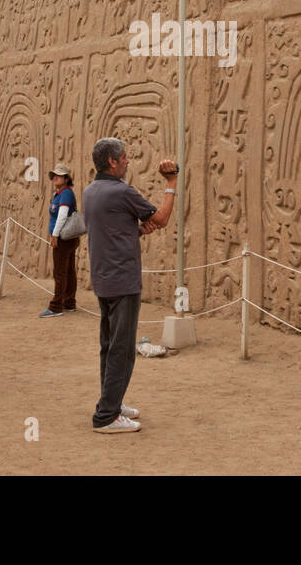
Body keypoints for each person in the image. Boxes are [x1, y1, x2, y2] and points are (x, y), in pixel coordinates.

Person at [83, 137, 177, 434]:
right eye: (124, 157)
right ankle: (106, 416)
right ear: (112, 161)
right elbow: (161, 218)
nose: (127, 161)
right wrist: (171, 182)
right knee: (122, 349)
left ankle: (111, 401)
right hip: (122, 280)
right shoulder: (122, 192)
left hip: (104, 278)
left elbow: (111, 229)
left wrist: (135, 229)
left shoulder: (90, 191)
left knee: (109, 346)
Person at [42, 165, 80, 318]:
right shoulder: (60, 194)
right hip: (68, 238)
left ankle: (56, 306)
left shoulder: (65, 194)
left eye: (59, 175)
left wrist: (55, 235)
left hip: (63, 238)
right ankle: (69, 302)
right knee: (69, 271)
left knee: (60, 272)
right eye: (54, 175)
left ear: (66, 179)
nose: (55, 178)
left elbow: (62, 216)